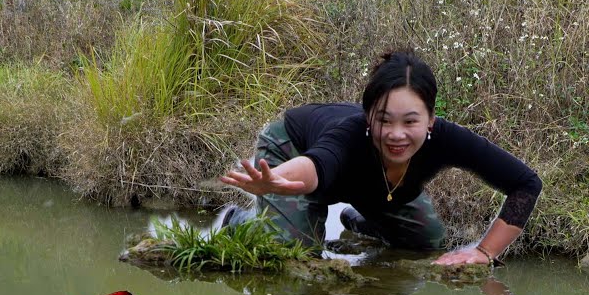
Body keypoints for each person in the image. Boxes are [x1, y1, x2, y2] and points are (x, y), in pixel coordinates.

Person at [218, 50, 541, 265]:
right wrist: (276, 180)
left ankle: (357, 220)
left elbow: (525, 183)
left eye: (410, 122)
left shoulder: (447, 138)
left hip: (373, 189)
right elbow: (315, 164)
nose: (396, 135)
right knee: (296, 251)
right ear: (368, 116)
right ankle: (241, 221)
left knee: (428, 241)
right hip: (293, 147)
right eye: (384, 120)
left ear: (430, 120)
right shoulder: (349, 135)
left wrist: (485, 251)